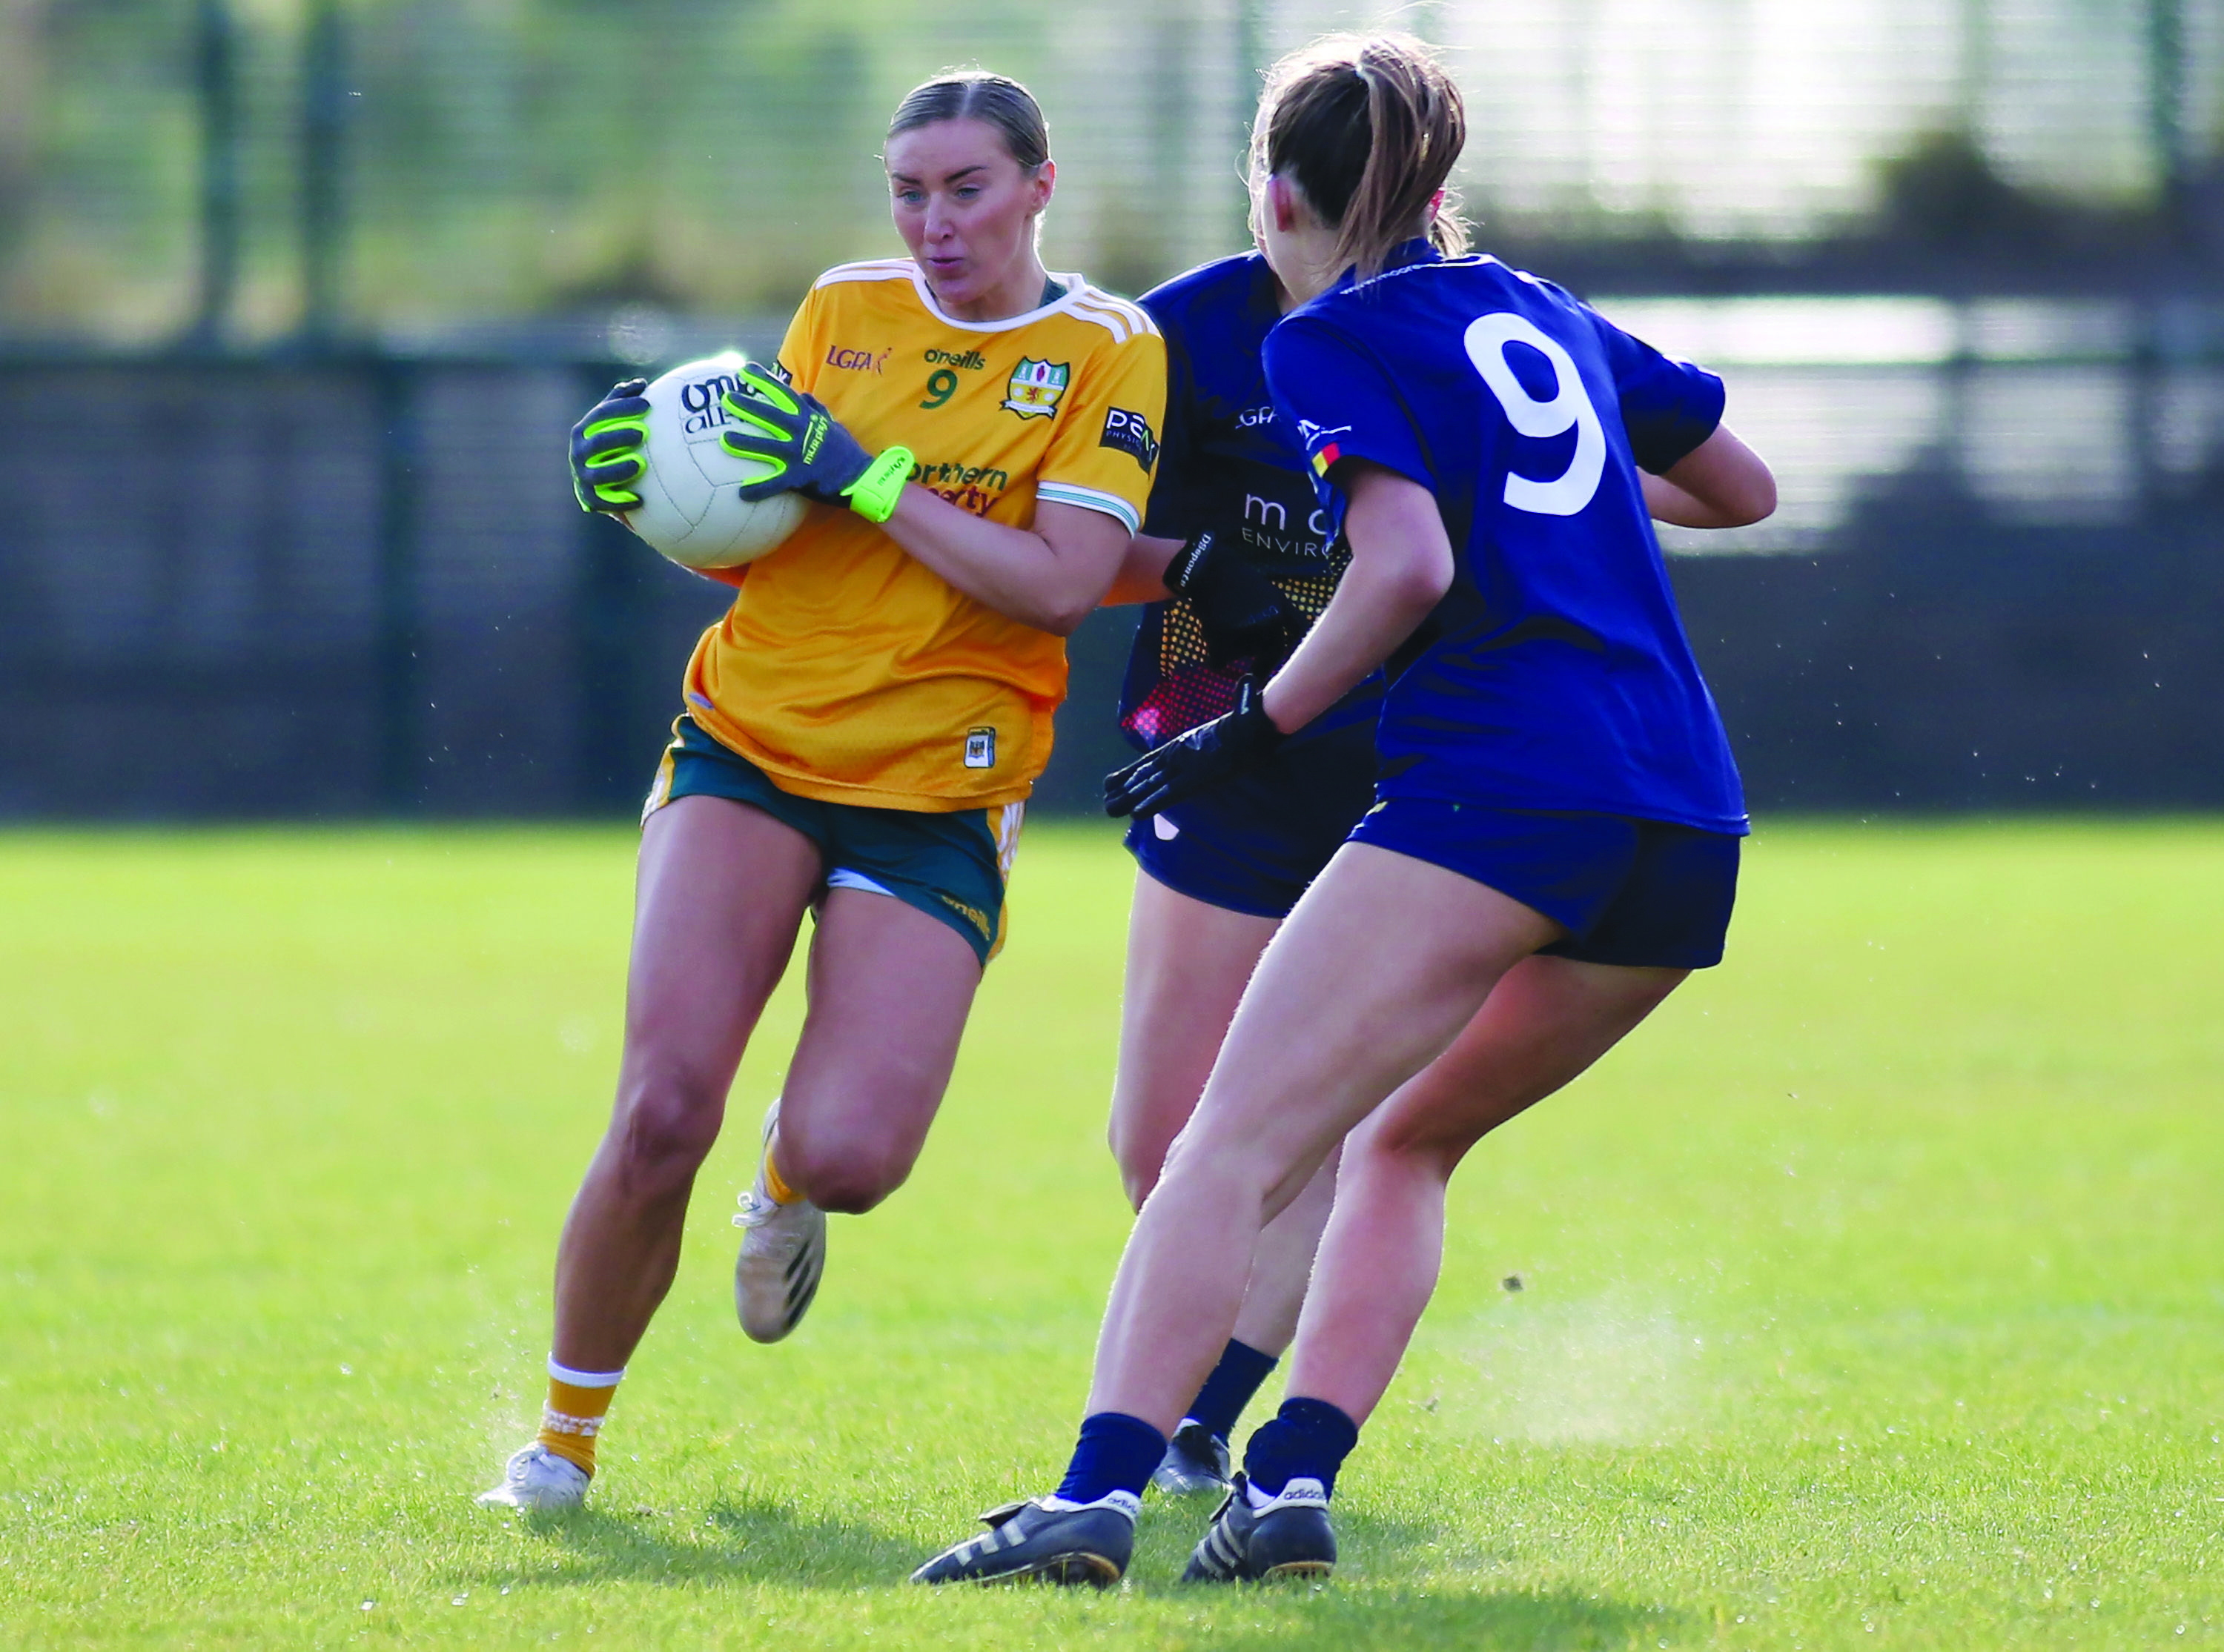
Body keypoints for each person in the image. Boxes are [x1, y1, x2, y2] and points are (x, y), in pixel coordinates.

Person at [916, 32, 1775, 1585]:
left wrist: (1257, 719)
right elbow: (1745, 487)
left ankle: (1096, 1495)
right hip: (1689, 817)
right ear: (1441, 183)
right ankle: (1287, 1478)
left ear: (1274, 186)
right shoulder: (1543, 312)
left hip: (1507, 788)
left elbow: (1406, 570)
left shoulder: (1322, 336)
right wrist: (1536, 487)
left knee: (1223, 1149)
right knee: (1396, 1142)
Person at [477, 70, 1166, 1512]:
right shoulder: (840, 308)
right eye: (908, 192)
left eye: (965, 189)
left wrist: (863, 469)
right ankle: (561, 1446)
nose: (934, 224)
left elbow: (1058, 586)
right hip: (753, 742)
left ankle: (785, 1189)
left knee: (855, 1157)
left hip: (939, 790)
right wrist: (645, 488)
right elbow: (774, 535)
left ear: (1040, 185)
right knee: (663, 1107)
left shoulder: (1111, 347)